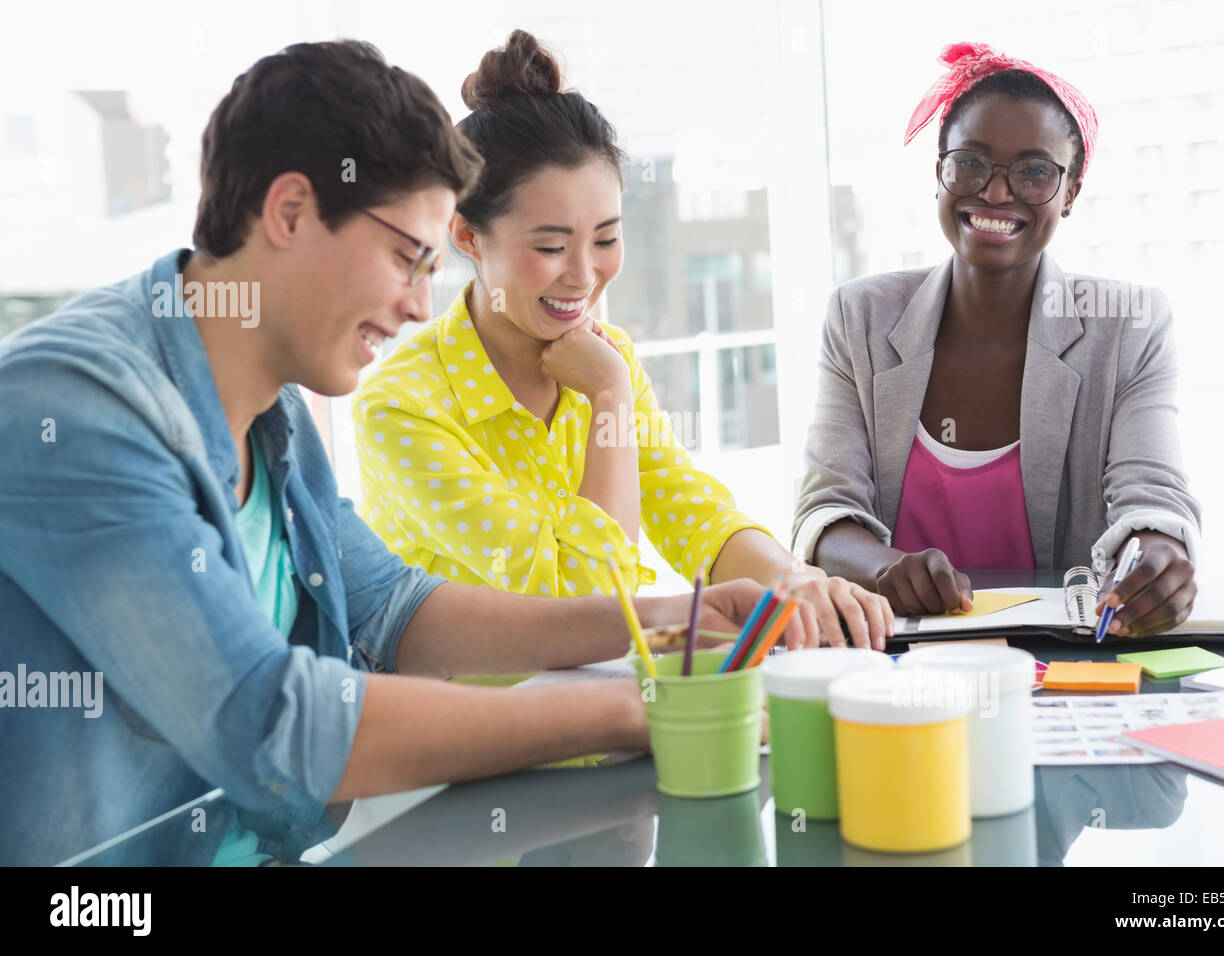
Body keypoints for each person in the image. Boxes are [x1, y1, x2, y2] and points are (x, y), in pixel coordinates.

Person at [0, 40, 793, 867]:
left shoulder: (275, 410)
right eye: (405, 258)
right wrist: (635, 709)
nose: (421, 305)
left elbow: (397, 610)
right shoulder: (75, 407)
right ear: (292, 212)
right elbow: (276, 721)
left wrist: (668, 622)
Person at [353, 30, 894, 651]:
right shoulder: (403, 406)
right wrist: (610, 396)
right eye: (551, 247)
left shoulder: (606, 354)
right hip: (481, 732)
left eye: (606, 239)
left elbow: (686, 507)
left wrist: (795, 582)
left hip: (607, 710)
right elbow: (580, 605)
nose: (584, 275)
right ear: (467, 235)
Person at [793, 42, 1201, 637]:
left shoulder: (1127, 324)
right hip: (891, 656)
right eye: (972, 162)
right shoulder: (861, 317)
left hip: (1060, 660)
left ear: (1071, 193)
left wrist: (1156, 554)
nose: (995, 193)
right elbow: (825, 511)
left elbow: (1153, 497)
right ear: (939, 171)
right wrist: (886, 569)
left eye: (1035, 171)